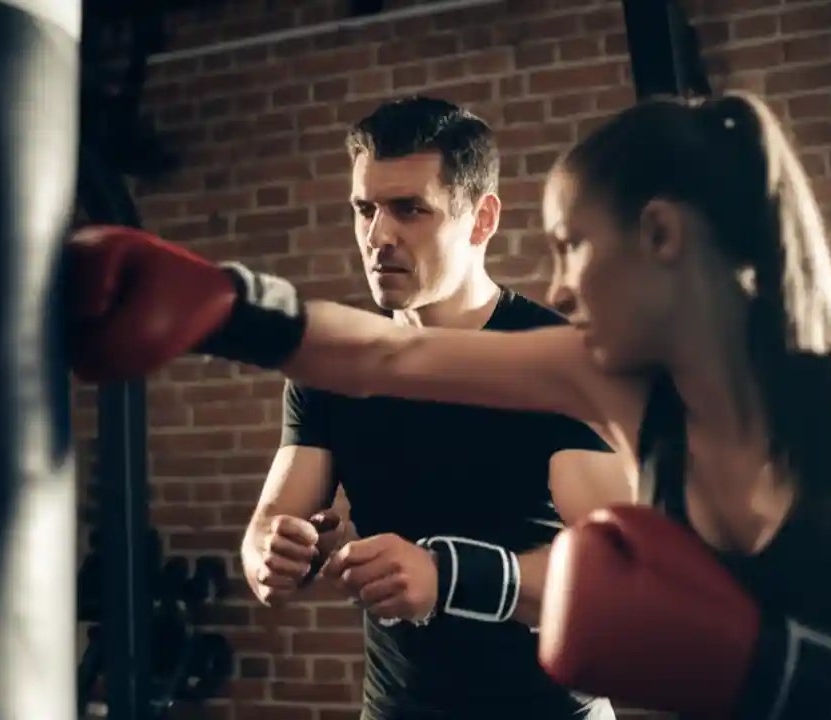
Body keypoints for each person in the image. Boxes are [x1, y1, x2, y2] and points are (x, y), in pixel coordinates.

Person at [68, 91, 831, 720]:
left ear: (662, 236)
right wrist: (230, 306)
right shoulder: (606, 380)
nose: (556, 288)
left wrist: (765, 668)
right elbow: (387, 351)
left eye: (573, 248)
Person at [236, 96, 628, 720]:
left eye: (410, 210)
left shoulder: (559, 363)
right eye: (364, 209)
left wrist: (449, 575)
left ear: (482, 219)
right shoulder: (336, 364)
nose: (378, 236)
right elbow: (267, 532)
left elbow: (617, 581)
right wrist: (277, 552)